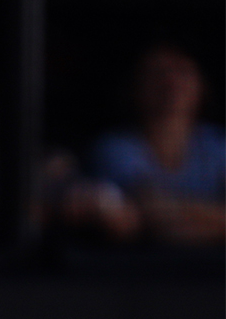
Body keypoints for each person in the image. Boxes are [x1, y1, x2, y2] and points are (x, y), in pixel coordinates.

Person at [88, 42, 224, 245]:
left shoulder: (218, 145)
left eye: (182, 72)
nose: (171, 83)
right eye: (157, 73)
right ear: (134, 87)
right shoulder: (115, 148)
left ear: (202, 85)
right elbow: (153, 216)